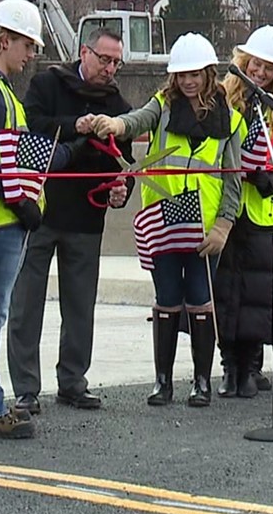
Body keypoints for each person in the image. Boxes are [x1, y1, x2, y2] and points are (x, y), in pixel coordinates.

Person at [93, 32, 244, 407]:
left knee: (200, 300)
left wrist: (224, 225)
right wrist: (114, 126)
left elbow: (233, 177)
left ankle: (201, 382)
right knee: (167, 300)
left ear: (209, 74)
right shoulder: (162, 105)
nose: (188, 81)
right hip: (164, 220)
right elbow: (136, 120)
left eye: (195, 74)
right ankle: (163, 381)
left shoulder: (233, 120)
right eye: (181, 75)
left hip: (206, 227)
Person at [0, 0, 79, 437]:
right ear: (3, 41)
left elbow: (9, 150)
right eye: (26, 45)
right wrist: (19, 201)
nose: (30, 56)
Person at [5, 27, 132, 414]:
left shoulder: (117, 102)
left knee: (81, 305)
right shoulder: (47, 83)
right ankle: (26, 388)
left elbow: (121, 159)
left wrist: (118, 189)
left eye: (116, 62)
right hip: (39, 210)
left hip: (86, 216)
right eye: (105, 59)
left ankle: (73, 381)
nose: (110, 69)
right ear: (84, 53)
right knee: (27, 303)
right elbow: (32, 127)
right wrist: (75, 126)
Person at [213, 26, 273, 399]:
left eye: (269, 69)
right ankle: (228, 367)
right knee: (225, 293)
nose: (260, 73)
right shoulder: (222, 99)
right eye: (256, 64)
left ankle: (250, 367)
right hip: (227, 210)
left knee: (258, 296)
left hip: (265, 215)